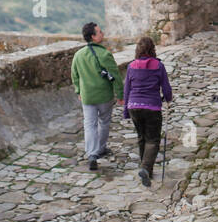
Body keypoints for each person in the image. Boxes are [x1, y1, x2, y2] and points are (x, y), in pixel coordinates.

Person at [70, 21, 123, 171]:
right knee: (104, 122)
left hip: (87, 97)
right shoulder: (105, 54)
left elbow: (74, 75)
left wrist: (78, 91)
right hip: (104, 96)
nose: (103, 33)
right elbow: (115, 76)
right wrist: (120, 94)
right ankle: (101, 148)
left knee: (89, 124)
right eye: (100, 32)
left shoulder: (78, 55)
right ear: (93, 36)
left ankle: (92, 154)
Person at [122, 36, 173, 187]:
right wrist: (168, 98)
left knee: (141, 137)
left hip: (134, 106)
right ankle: (145, 168)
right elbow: (166, 87)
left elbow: (127, 90)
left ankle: (147, 170)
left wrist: (126, 111)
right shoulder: (158, 66)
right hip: (151, 106)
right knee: (153, 139)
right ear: (152, 49)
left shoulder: (131, 66)